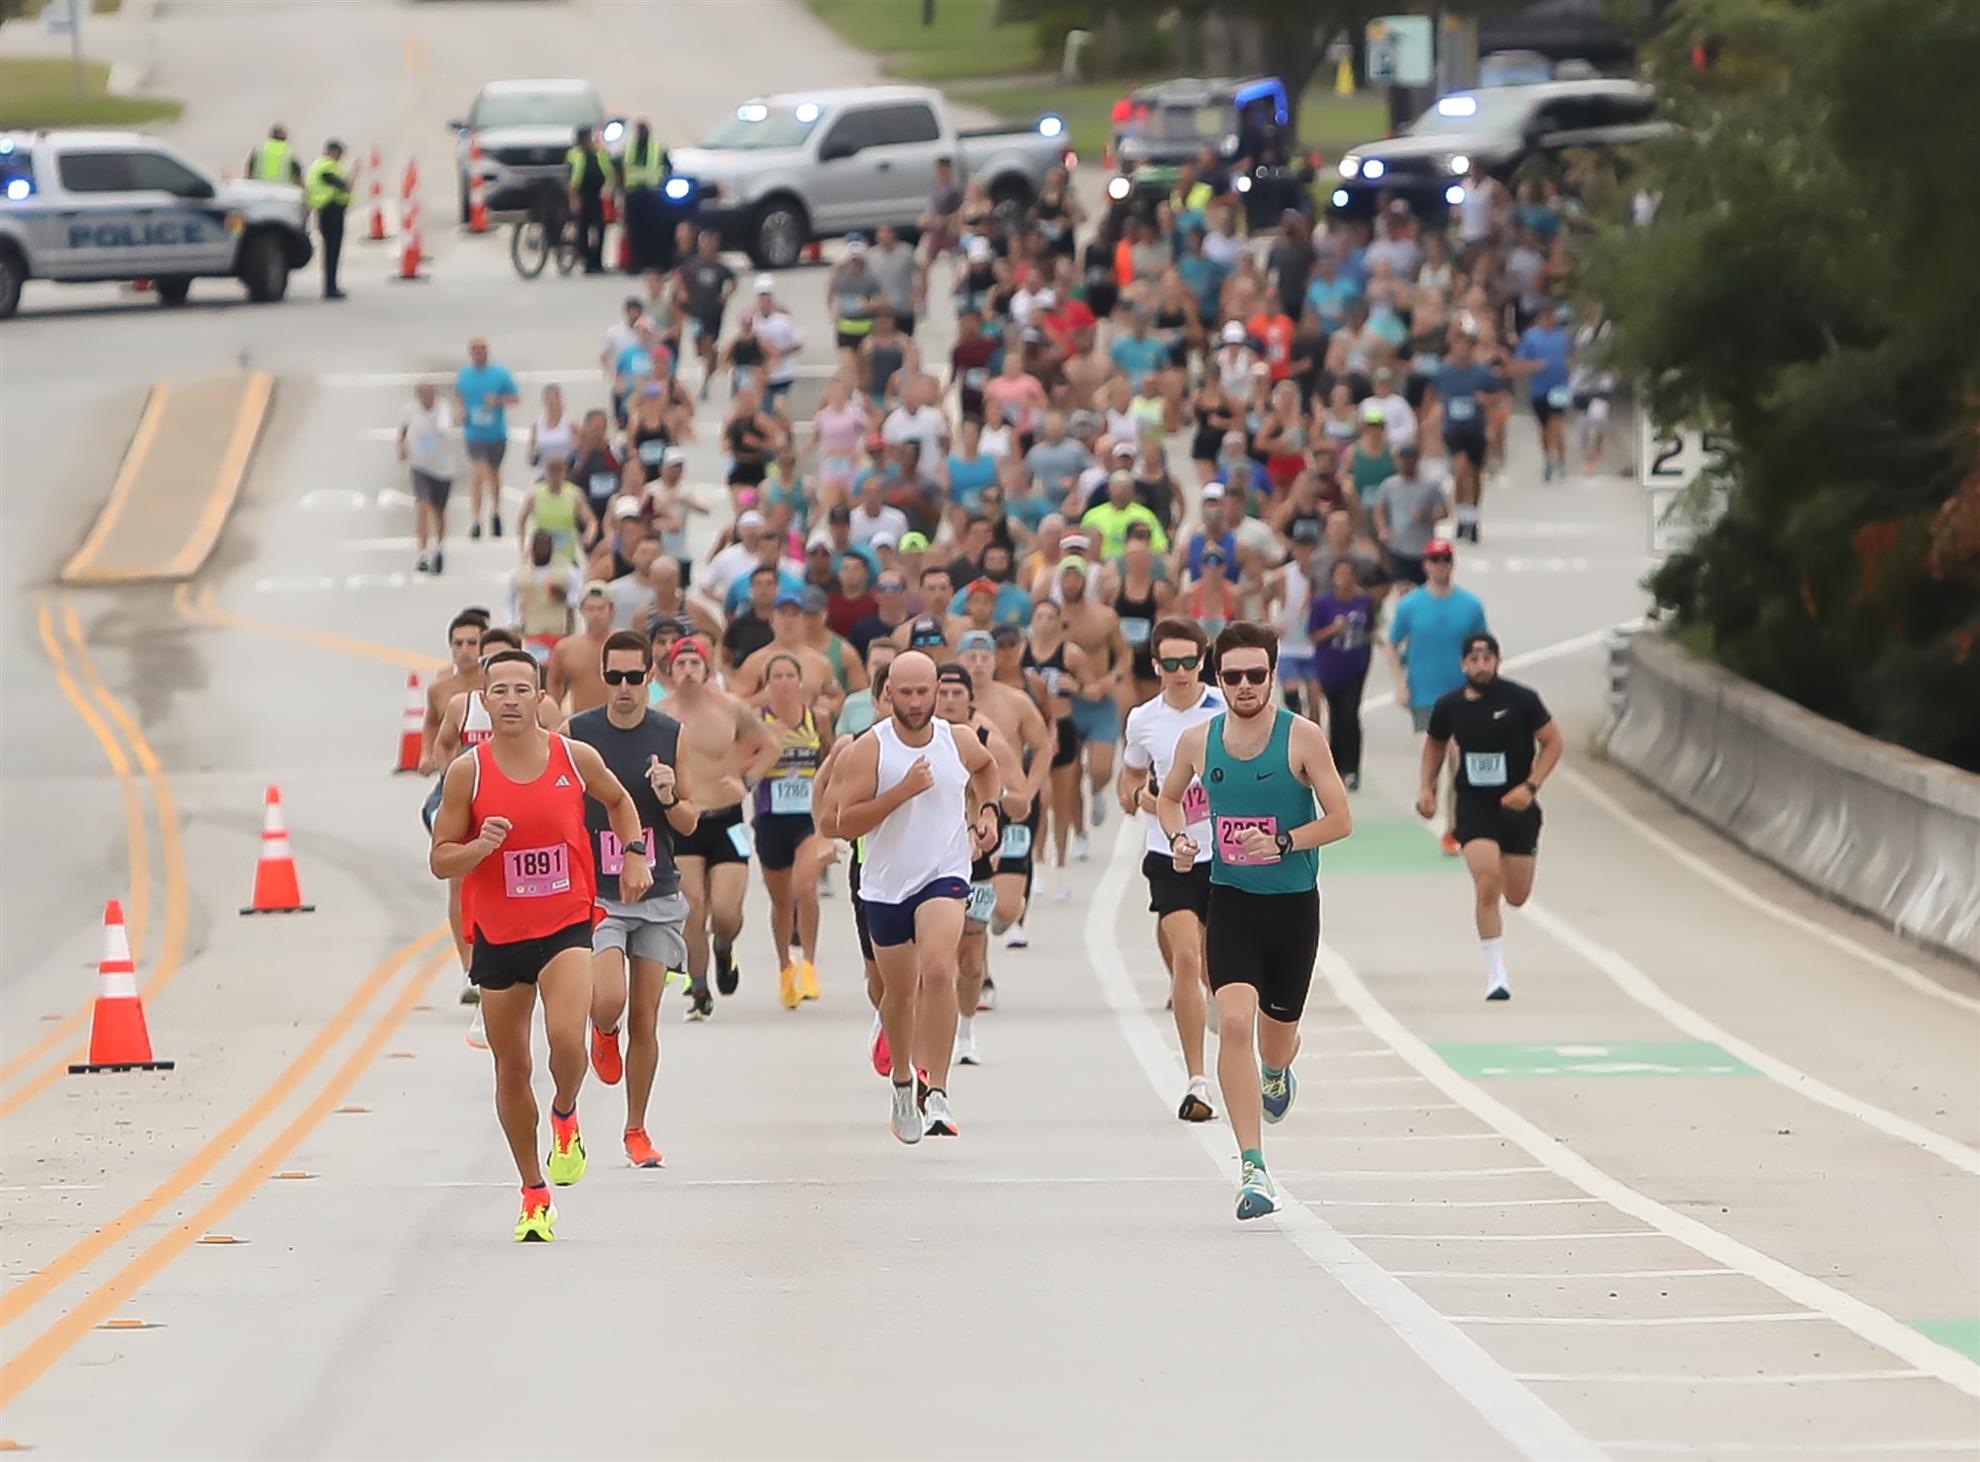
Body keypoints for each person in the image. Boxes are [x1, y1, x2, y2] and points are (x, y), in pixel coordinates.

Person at [427, 648, 652, 1241]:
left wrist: (633, 856)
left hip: (566, 923)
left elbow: (621, 802)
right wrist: (479, 850)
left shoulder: (572, 757)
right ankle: (532, 1191)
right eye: (497, 690)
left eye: (520, 690)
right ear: (484, 699)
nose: (509, 700)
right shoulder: (467, 773)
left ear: (539, 697)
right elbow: (439, 858)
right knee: (513, 1067)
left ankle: (566, 1114)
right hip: (499, 936)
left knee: (564, 1042)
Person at [1158, 622, 1353, 1222]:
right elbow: (1168, 800)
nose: (1244, 686)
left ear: (1273, 675)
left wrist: (1286, 842)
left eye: (1256, 675)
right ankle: (1253, 1168)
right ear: (1218, 679)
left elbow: (1341, 819)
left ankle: (1276, 1072)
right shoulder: (1199, 741)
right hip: (1232, 900)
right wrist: (1180, 840)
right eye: (1233, 676)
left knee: (1274, 1039)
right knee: (1234, 1023)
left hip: (1293, 907)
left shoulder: (1303, 738)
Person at [829, 651, 1003, 1142]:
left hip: (944, 875)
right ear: (887, 694)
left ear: (935, 690)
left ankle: (940, 1088)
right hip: (885, 885)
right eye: (903, 693)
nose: (914, 702)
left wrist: (987, 813)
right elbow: (846, 822)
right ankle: (903, 1080)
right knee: (899, 993)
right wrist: (903, 790)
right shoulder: (870, 749)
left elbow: (988, 769)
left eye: (922, 692)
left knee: (941, 968)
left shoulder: (958, 740)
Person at [567, 631, 699, 1169]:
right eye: (614, 677)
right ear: (603, 678)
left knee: (646, 1018)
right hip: (599, 891)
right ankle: (602, 1031)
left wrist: (668, 796)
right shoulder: (578, 733)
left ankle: (636, 1129)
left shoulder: (671, 734)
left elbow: (689, 821)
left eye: (634, 678)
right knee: (608, 999)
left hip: (658, 890)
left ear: (651, 677)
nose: (624, 688)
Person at [1418, 634, 1563, 1000]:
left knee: (1515, 895)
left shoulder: (1522, 700)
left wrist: (1531, 786)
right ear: (1464, 664)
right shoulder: (1450, 705)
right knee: (1487, 880)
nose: (1481, 665)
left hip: (1517, 807)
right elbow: (1434, 743)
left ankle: (1511, 874)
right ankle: (1497, 975)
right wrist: (1427, 788)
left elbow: (1553, 742)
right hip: (1474, 807)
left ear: (1498, 660)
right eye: (1474, 659)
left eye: (1488, 658)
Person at [1119, 619, 1224, 1123]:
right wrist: (1140, 797)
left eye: (1190, 662)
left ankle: (1269, 1055)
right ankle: (1197, 1080)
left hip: (1230, 855)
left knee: (1223, 969)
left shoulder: (1228, 708)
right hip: (1171, 852)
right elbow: (1132, 775)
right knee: (1186, 955)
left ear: (1202, 661)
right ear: (1156, 666)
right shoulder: (1143, 719)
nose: (1181, 673)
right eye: (1171, 664)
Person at [656, 636, 780, 1019]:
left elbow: (770, 745)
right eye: (681, 664)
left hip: (727, 819)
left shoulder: (731, 709)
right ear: (669, 672)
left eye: (695, 664)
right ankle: (699, 985)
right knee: (692, 906)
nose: (688, 671)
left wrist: (748, 781)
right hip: (684, 820)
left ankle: (724, 948)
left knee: (725, 912)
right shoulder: (660, 715)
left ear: (708, 670)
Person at [1384, 539, 1486, 853]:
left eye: (1445, 559)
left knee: (1458, 759)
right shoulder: (1411, 605)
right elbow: (1391, 643)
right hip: (1425, 697)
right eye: (1434, 559)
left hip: (1460, 695)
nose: (1440, 565)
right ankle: (1427, 792)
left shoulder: (1470, 605)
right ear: (1426, 565)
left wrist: (1483, 686)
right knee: (1434, 754)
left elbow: (1482, 648)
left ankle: (1453, 828)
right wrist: (1401, 683)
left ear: (1452, 564)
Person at [752, 652, 834, 1008]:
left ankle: (810, 964)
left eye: (790, 675)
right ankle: (785, 967)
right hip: (770, 818)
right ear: (767, 683)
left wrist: (832, 808)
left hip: (807, 819)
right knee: (781, 900)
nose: (784, 682)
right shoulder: (757, 721)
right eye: (777, 676)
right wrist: (768, 748)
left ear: (800, 682)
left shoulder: (818, 719)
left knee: (805, 886)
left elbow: (832, 762)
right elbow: (743, 765)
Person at [1308, 557, 1377, 790]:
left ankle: (1352, 768)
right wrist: (1333, 630)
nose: (1344, 579)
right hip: (1329, 666)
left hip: (1356, 666)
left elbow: (1370, 629)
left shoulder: (1364, 601)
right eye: (1340, 574)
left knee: (1350, 714)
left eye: (1349, 574)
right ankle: (1335, 766)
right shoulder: (1322, 603)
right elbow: (1313, 636)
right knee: (1336, 715)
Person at [457, 339, 519, 540]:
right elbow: (459, 396)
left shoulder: (500, 374)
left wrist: (498, 401)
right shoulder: (465, 375)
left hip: (496, 433)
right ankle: (476, 520)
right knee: (479, 473)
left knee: (494, 474)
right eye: (475, 351)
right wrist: (461, 411)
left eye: (482, 350)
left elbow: (515, 398)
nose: (479, 354)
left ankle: (496, 512)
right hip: (474, 433)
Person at [1368, 444, 1447, 586]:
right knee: (1403, 589)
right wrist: (1382, 529)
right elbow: (1379, 507)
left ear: (1417, 461)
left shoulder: (1430, 485)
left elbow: (1444, 511)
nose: (1406, 463)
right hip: (1398, 547)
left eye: (1410, 460)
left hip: (1423, 548)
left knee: (1425, 589)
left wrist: (1426, 517)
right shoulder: (1389, 485)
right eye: (1402, 460)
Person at [398, 383, 456, 576]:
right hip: (420, 467)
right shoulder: (410, 411)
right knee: (422, 506)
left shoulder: (443, 409)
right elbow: (403, 430)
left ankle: (439, 547)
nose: (427, 399)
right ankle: (422, 552)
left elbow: (444, 427)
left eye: (430, 395)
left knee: (439, 511)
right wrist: (402, 447)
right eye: (423, 395)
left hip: (442, 469)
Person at [680, 229, 736, 399]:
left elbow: (733, 281)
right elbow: (681, 279)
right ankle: (717, 359)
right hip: (695, 313)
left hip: (713, 313)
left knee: (708, 344)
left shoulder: (720, 266)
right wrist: (683, 294)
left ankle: (706, 382)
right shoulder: (692, 264)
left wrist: (726, 295)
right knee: (699, 350)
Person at [546, 583, 614, 713]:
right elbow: (555, 683)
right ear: (581, 610)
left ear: (611, 609)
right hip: (582, 720)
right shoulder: (565, 648)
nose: (596, 615)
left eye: (600, 608)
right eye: (590, 609)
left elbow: (649, 677)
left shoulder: (626, 643)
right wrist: (554, 714)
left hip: (622, 721)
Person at [620, 121, 672, 279]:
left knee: (654, 230)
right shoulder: (628, 148)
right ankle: (636, 263)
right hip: (633, 193)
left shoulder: (656, 148)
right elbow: (621, 169)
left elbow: (668, 168)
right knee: (634, 231)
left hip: (652, 193)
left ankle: (655, 263)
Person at [305, 139, 353, 300]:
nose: (342, 155)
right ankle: (330, 288)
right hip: (330, 211)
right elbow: (342, 186)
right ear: (332, 151)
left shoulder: (322, 164)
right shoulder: (326, 166)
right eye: (340, 151)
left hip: (326, 211)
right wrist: (354, 174)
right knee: (332, 251)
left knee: (330, 251)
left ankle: (330, 286)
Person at [567, 125, 616, 274]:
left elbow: (608, 171)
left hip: (597, 196)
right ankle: (587, 261)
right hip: (582, 196)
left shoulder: (598, 153)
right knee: (583, 229)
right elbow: (571, 178)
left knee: (600, 228)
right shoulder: (574, 154)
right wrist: (574, 198)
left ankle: (597, 262)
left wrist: (609, 190)